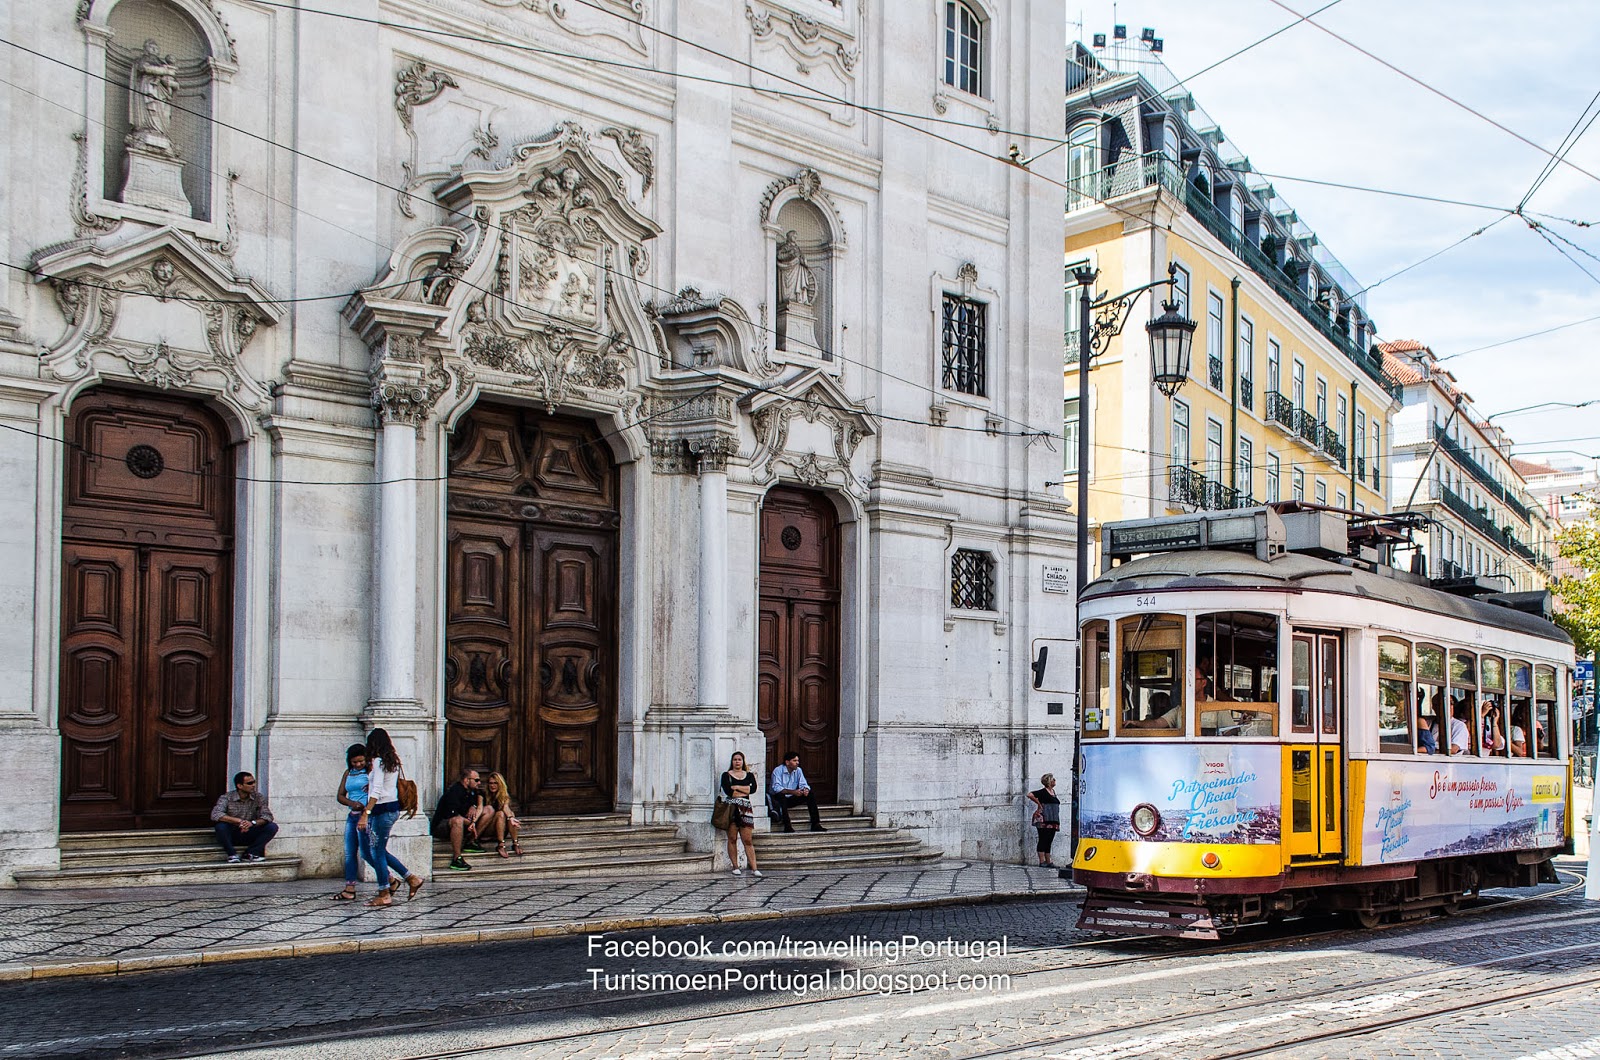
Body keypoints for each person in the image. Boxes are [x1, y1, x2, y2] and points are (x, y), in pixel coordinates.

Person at [336, 743, 417, 901]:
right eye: (354, 762)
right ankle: (350, 888)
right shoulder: (348, 773)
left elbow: (376, 792)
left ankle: (393, 881)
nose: (358, 764)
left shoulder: (372, 772)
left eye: (361, 761)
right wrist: (351, 803)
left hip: (367, 816)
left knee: (371, 853)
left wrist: (366, 812)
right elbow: (340, 795)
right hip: (353, 815)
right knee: (350, 853)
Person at [358, 728, 422, 907]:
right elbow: (384, 787)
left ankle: (384, 892)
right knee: (377, 851)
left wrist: (365, 813)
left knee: (377, 852)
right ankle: (410, 878)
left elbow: (378, 790)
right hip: (389, 809)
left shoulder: (378, 762)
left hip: (381, 810)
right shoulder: (391, 762)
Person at [210, 772, 279, 863]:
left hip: (249, 831)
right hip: (232, 832)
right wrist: (239, 821)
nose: (253, 785)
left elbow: (267, 816)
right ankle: (232, 854)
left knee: (272, 826)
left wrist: (252, 823)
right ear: (240, 785)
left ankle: (251, 853)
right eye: (249, 783)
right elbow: (215, 814)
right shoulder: (227, 797)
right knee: (221, 827)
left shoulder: (258, 797)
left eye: (254, 782)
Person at [719, 751, 763, 878]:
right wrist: (744, 789)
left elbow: (753, 789)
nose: (737, 762)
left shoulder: (749, 775)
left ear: (743, 761)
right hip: (732, 809)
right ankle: (735, 866)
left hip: (745, 809)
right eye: (735, 759)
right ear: (731, 761)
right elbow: (729, 792)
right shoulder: (726, 775)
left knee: (747, 839)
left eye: (739, 759)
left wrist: (736, 786)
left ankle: (754, 868)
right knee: (732, 838)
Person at [432, 767, 485, 870]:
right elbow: (453, 815)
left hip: (464, 825)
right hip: (443, 825)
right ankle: (457, 858)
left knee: (489, 811)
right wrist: (471, 823)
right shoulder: (454, 792)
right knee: (458, 820)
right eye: (476, 780)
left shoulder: (472, 792)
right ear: (466, 780)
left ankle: (471, 842)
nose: (479, 783)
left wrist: (474, 806)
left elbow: (479, 805)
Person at [770, 751, 825, 832]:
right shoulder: (778, 770)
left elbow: (804, 784)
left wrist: (805, 790)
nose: (797, 763)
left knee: (810, 794)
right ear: (787, 762)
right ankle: (787, 825)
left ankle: (815, 824)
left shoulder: (798, 770)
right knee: (780, 796)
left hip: (791, 798)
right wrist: (792, 792)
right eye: (794, 761)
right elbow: (776, 788)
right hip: (777, 800)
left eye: (798, 761)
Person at [477, 771, 523, 857]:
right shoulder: (482, 794)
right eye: (490, 783)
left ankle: (515, 843)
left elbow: (506, 808)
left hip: (500, 827)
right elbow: (479, 808)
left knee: (508, 814)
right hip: (486, 828)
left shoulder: (504, 796)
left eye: (495, 783)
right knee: (500, 814)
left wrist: (511, 818)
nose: (492, 785)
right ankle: (501, 845)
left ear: (500, 784)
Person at [1025, 774, 1061, 866]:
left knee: (1049, 839)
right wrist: (1038, 803)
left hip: (1053, 819)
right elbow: (1029, 794)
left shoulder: (1053, 791)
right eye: (1053, 779)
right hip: (1044, 818)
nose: (1055, 780)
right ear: (1049, 781)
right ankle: (1042, 861)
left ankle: (1048, 861)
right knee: (1043, 839)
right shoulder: (1042, 792)